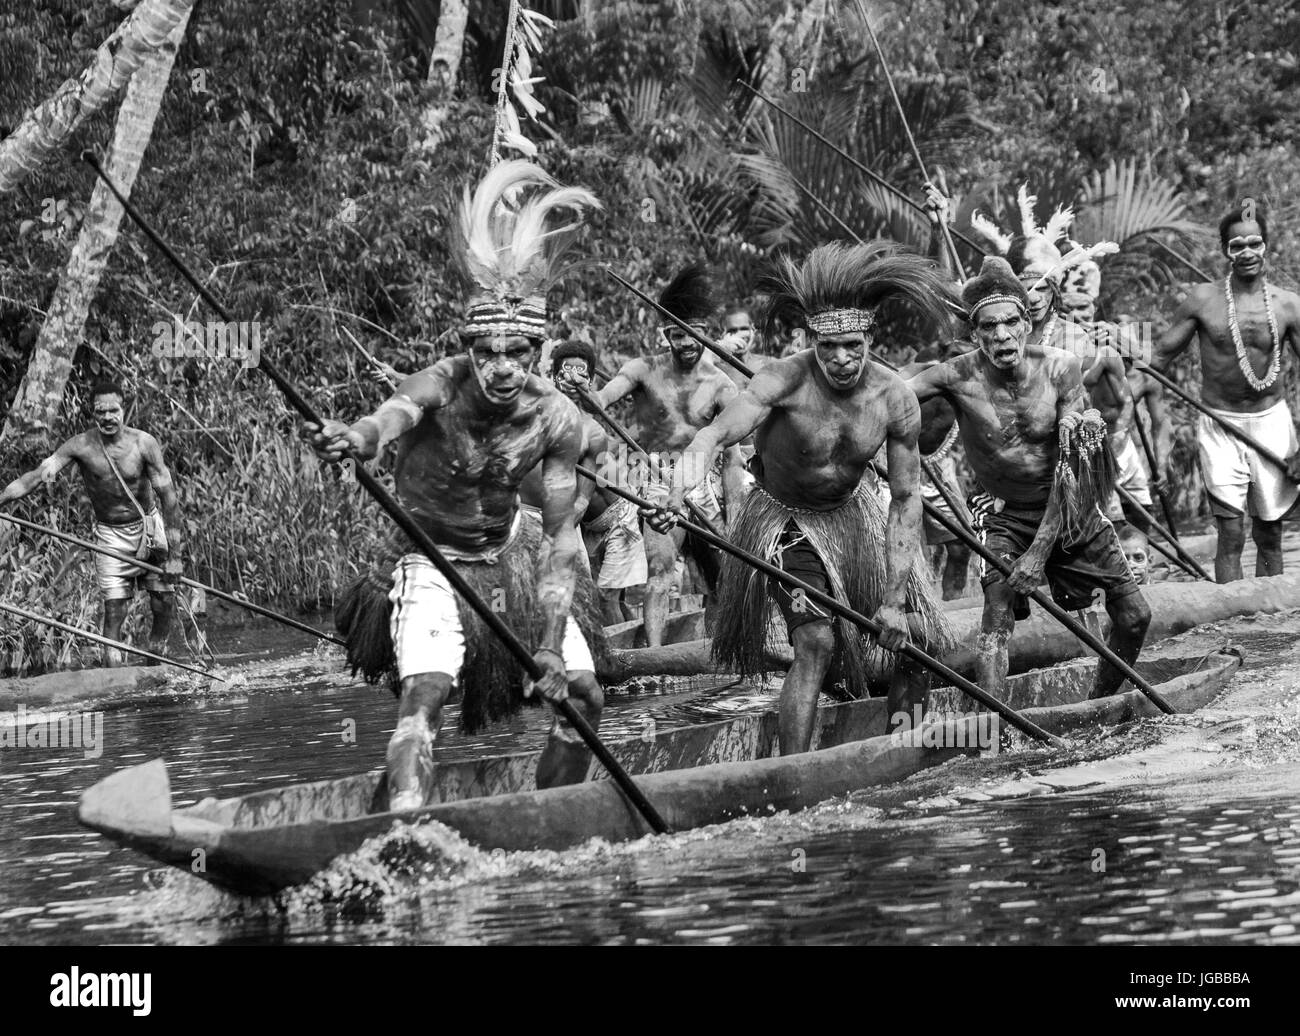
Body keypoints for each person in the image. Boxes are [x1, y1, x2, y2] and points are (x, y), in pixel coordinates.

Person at [314, 161, 607, 809]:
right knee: (426, 695)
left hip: (514, 559)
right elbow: (396, 413)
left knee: (585, 694)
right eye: (488, 352)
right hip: (431, 561)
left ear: (536, 353)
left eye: (516, 354)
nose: (501, 367)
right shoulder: (443, 381)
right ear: (470, 349)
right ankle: (404, 825)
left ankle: (544, 817)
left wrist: (554, 648)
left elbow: (561, 541)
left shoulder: (557, 418)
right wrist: (359, 438)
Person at [656, 242, 956, 753]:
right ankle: (793, 771)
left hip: (854, 517)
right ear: (812, 339)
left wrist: (893, 601)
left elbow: (905, 500)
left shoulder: (895, 398)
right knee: (815, 640)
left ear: (869, 338)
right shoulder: (783, 379)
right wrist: (675, 489)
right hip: (784, 524)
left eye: (852, 347)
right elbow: (713, 437)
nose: (840, 359)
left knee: (918, 643)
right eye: (827, 346)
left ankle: (898, 751)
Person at [908, 255, 1151, 703]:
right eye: (988, 327)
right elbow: (888, 396)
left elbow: (1071, 467)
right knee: (996, 616)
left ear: (1026, 322)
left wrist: (1040, 551)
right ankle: (994, 725)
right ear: (974, 334)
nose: (1001, 335)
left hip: (1070, 506)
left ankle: (1099, 702)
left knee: (1135, 616)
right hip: (1004, 516)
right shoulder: (954, 376)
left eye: (1010, 322)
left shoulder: (1060, 367)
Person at [596, 264, 746, 645]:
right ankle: (657, 661)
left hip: (705, 481)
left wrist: (735, 513)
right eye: (677, 335)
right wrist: (584, 392)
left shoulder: (721, 385)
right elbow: (603, 398)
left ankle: (722, 652)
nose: (686, 343)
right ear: (666, 334)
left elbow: (730, 457)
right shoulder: (642, 370)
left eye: (693, 335)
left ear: (707, 335)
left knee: (723, 580)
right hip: (658, 480)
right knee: (660, 576)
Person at [1154, 202, 1300, 581]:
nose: (1247, 252)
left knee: (1270, 532)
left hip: (1272, 421)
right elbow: (1159, 357)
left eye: (1254, 243)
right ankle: (1231, 626)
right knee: (1230, 533)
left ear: (1266, 246)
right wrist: (1116, 349)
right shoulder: (1203, 299)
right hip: (1220, 423)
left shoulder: (1288, 305)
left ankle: (1272, 625)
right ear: (1225, 251)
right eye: (1237, 246)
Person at [0, 379, 184, 664]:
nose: (108, 418)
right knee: (114, 611)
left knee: (163, 603)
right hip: (111, 536)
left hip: (149, 529)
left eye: (113, 411)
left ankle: (155, 663)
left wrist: (175, 557)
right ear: (93, 413)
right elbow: (36, 477)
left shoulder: (144, 444)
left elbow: (169, 499)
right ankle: (115, 678)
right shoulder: (80, 446)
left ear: (124, 410)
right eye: (101, 412)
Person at [526, 339, 647, 625]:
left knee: (605, 597)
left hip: (617, 518)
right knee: (591, 593)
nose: (570, 379)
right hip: (582, 522)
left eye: (580, 374)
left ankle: (625, 659)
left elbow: (580, 500)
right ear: (553, 377)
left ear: (591, 381)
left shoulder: (592, 430)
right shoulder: (538, 414)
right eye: (564, 373)